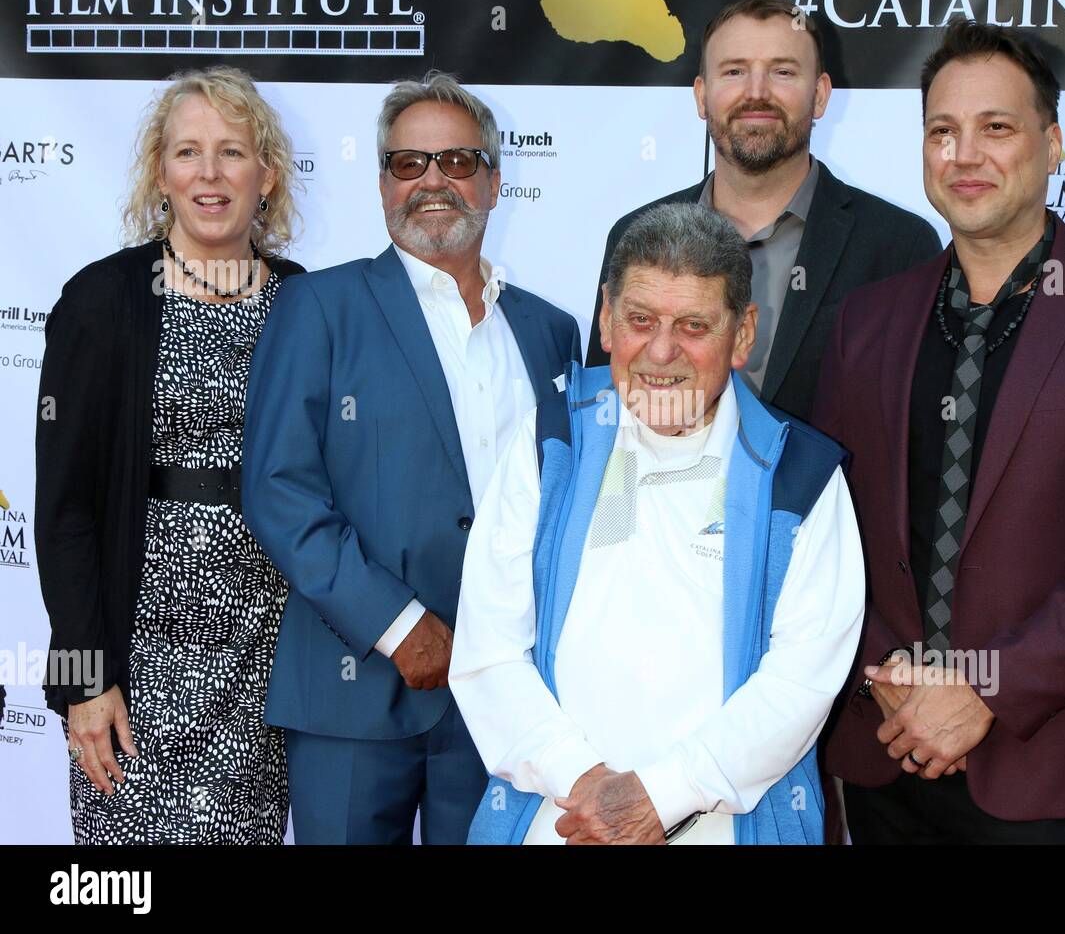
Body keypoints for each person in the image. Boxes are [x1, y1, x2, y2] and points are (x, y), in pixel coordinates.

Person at [814, 21, 1065, 844]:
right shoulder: (868, 319)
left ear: (1054, 141)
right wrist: (892, 678)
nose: (965, 155)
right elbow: (830, 522)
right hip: (884, 747)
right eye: (942, 131)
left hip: (1048, 759)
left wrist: (983, 693)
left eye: (995, 127)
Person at [450, 202, 865, 845]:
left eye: (694, 325)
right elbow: (489, 653)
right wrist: (590, 789)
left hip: (726, 828)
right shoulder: (549, 440)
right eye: (640, 320)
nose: (662, 351)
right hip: (560, 820)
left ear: (744, 333)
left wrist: (660, 796)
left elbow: (800, 684)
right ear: (607, 319)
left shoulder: (801, 474)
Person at [242, 71, 581, 845]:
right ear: (384, 184)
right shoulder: (318, 308)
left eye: (458, 162)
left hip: (508, 700)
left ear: (494, 182)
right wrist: (398, 626)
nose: (433, 181)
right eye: (408, 164)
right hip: (356, 690)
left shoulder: (550, 334)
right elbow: (278, 490)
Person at [36, 66, 306, 843]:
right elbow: (64, 511)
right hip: (134, 665)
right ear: (161, 172)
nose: (210, 174)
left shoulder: (304, 302)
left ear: (269, 174)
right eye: (188, 152)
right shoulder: (103, 300)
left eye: (232, 152)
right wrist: (84, 682)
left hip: (262, 664)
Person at [585, 0, 940, 421]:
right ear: (701, 96)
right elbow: (604, 403)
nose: (756, 93)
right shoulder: (635, 234)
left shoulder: (899, 245)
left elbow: (910, 425)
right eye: (734, 71)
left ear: (821, 95)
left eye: (783, 72)